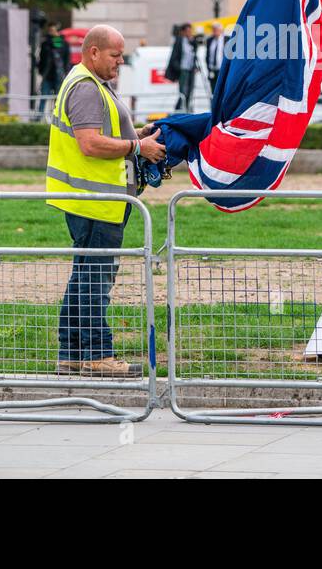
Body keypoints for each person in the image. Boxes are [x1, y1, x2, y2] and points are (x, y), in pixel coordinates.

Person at [46, 24, 165, 377]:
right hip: (96, 201)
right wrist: (136, 147)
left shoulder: (89, 82)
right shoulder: (86, 88)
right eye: (115, 55)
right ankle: (98, 355)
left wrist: (137, 133)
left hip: (92, 200)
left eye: (122, 55)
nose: (120, 62)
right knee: (96, 280)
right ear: (93, 52)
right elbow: (90, 143)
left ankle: (71, 352)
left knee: (84, 276)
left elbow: (103, 134)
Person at [36, 23, 70, 115]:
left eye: (53, 30)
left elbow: (67, 60)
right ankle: (39, 118)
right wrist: (41, 71)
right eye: (50, 31)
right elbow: (41, 58)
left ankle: (57, 119)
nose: (51, 33)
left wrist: (66, 73)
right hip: (47, 75)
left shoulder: (64, 44)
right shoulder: (45, 44)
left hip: (59, 75)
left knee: (59, 100)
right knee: (43, 97)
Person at [163, 23, 198, 111]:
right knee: (183, 91)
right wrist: (179, 68)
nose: (189, 33)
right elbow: (174, 56)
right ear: (183, 32)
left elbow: (195, 54)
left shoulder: (192, 41)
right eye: (187, 31)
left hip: (191, 69)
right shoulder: (179, 41)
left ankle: (187, 107)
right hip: (183, 70)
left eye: (190, 31)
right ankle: (179, 108)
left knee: (190, 90)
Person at [205, 22, 226, 94]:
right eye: (213, 30)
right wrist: (208, 68)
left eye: (216, 30)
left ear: (221, 30)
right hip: (212, 69)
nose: (214, 31)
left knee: (222, 89)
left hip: (222, 69)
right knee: (213, 90)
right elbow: (207, 55)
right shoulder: (209, 40)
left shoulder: (227, 39)